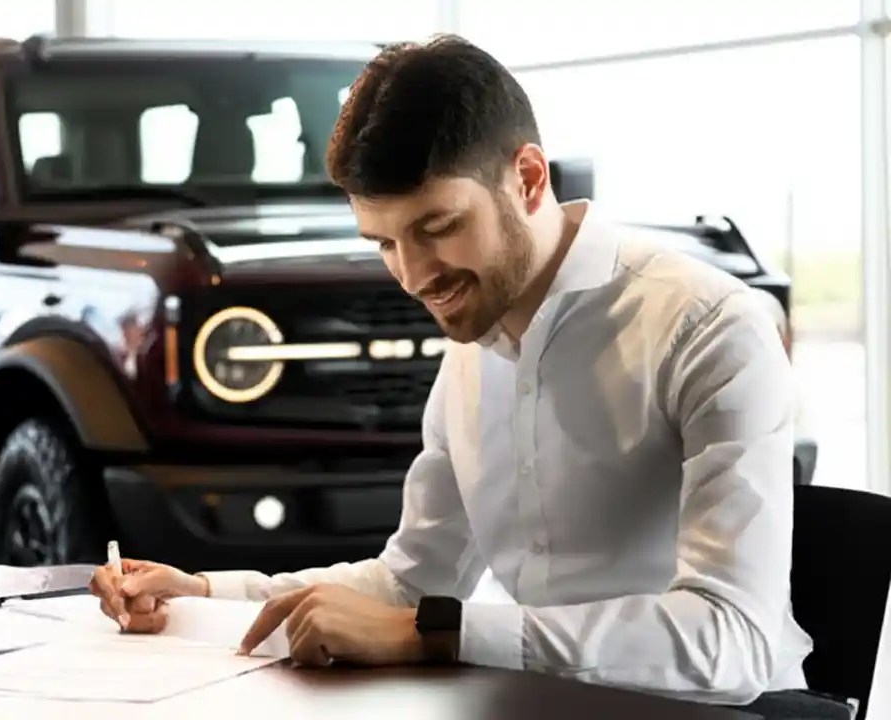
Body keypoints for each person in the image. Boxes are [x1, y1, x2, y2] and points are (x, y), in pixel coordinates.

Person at [89, 35, 849, 718]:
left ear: (526, 178)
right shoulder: (468, 348)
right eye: (384, 243)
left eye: (438, 227)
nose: (414, 276)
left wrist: (439, 635)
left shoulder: (709, 324)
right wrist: (205, 598)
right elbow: (409, 587)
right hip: (544, 704)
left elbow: (734, 639)